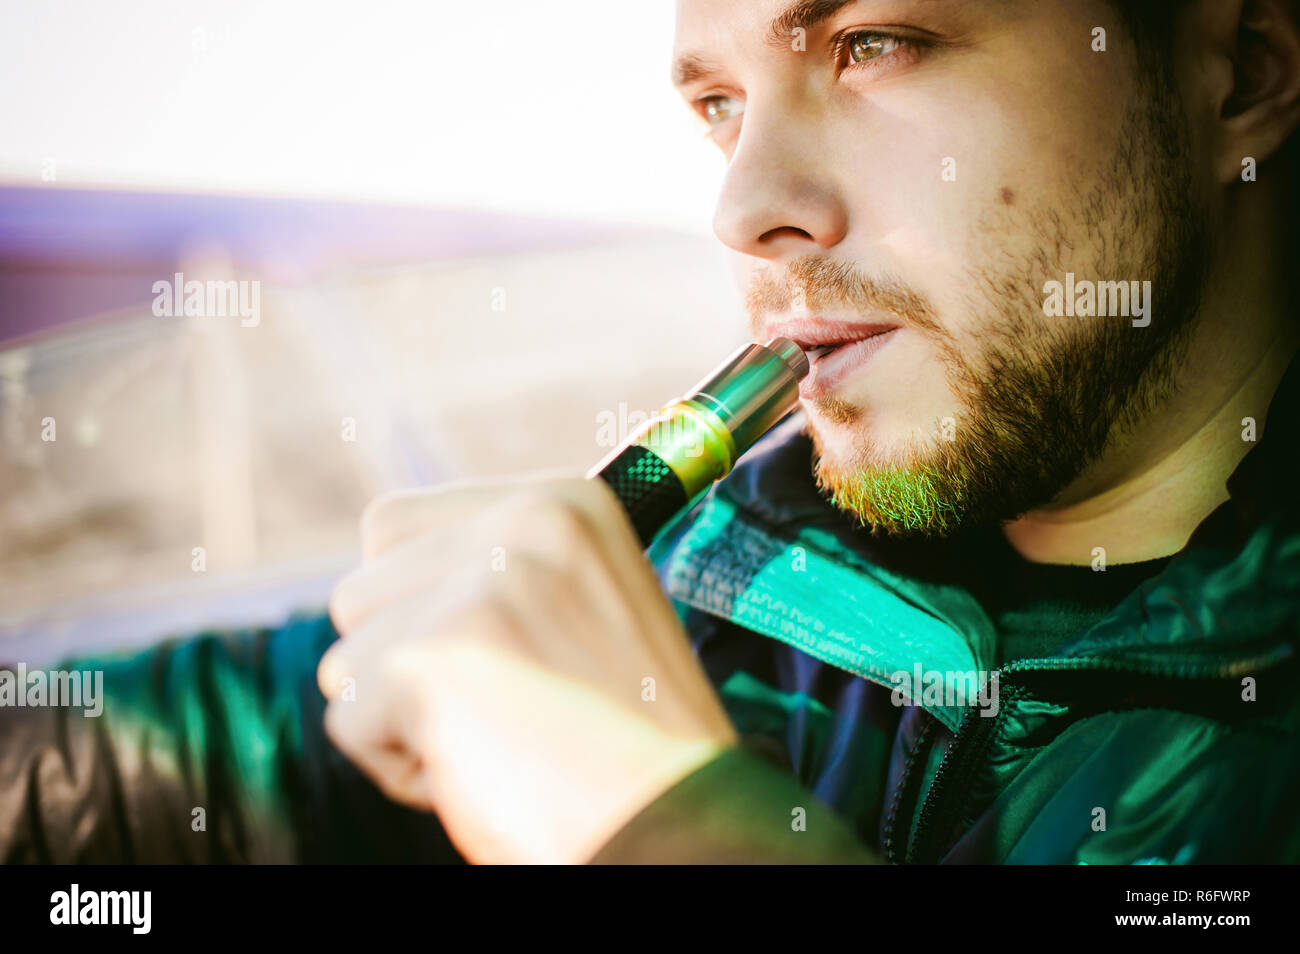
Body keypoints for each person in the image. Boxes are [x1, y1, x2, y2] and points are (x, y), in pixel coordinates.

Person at [4, 0, 1300, 864]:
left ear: (1238, 71)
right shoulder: (740, 568)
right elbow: (207, 750)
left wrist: (665, 820)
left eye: (874, 43)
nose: (746, 208)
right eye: (721, 106)